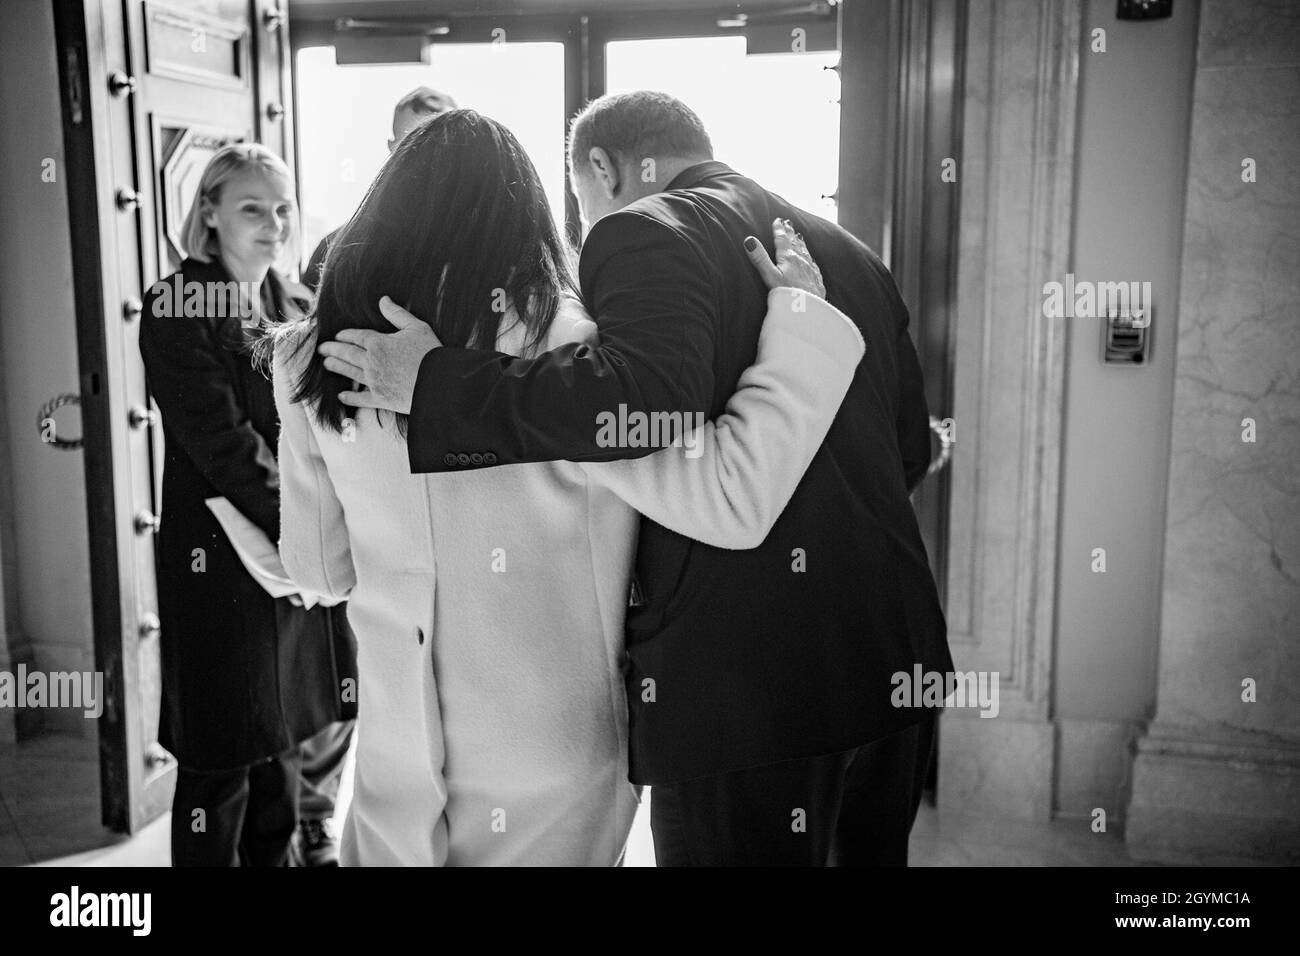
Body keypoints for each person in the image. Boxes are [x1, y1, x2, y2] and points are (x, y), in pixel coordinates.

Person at [321, 91, 954, 866]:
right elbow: (909, 450)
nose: (580, 227)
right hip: (891, 662)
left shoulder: (642, 228)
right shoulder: (847, 251)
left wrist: (437, 385)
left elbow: (632, 399)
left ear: (602, 167)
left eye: (581, 204)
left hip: (746, 691)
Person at [138, 143, 357, 866]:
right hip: (220, 557)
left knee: (285, 747)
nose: (275, 222)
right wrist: (301, 532)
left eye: (284, 207)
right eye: (252, 208)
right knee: (221, 754)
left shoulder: (294, 302)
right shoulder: (178, 303)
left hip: (291, 554)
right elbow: (222, 442)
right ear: (209, 213)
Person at [291, 85, 456, 868]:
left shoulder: (510, 280)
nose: (407, 162)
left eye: (424, 143)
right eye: (398, 146)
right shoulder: (339, 256)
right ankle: (311, 816)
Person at [301, 87, 458, 289]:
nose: (428, 161)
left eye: (442, 146)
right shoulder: (337, 249)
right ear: (393, 149)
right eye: (413, 145)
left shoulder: (492, 245)